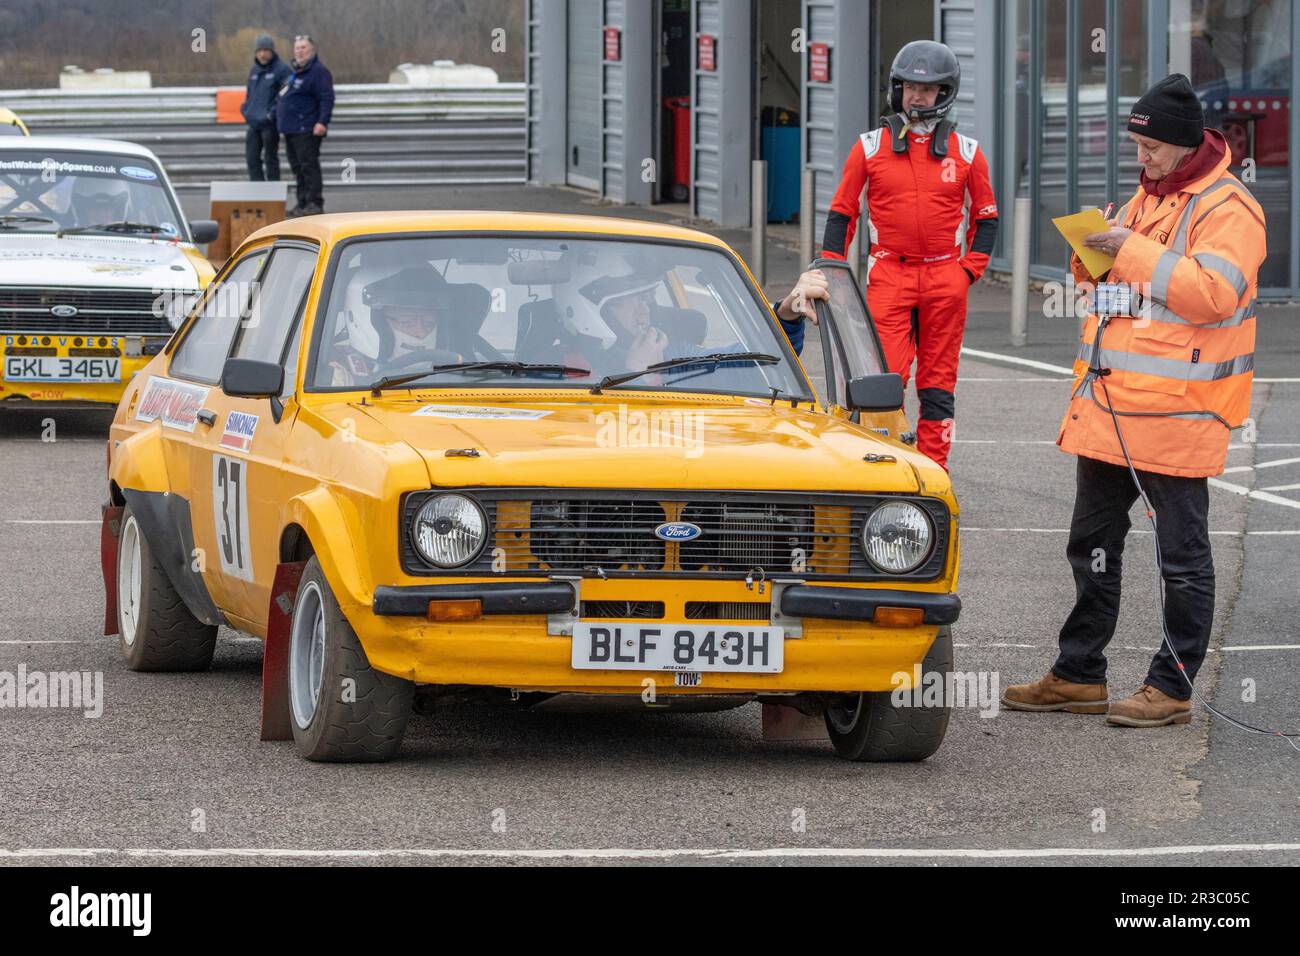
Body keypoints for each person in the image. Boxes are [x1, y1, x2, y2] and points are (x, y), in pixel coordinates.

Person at [1003, 74, 1266, 727]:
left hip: (1177, 412)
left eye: (1150, 148)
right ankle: (1078, 672)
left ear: (1183, 144)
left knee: (1182, 556)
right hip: (1113, 408)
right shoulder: (1150, 198)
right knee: (1090, 543)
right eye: (1137, 145)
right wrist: (1092, 253)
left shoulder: (1229, 208)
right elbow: (1113, 284)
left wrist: (1129, 249)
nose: (1140, 158)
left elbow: (1211, 294)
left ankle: (1171, 688)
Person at [816, 40, 999, 471]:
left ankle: (934, 470)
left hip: (945, 280)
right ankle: (883, 465)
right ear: (897, 90)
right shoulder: (869, 146)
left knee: (938, 385)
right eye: (911, 87)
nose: (918, 96)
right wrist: (830, 273)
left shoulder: (968, 152)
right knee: (884, 380)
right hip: (889, 276)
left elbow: (987, 218)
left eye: (929, 88)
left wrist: (967, 272)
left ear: (944, 93)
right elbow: (843, 212)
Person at [277, 34, 334, 217]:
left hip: (307, 129)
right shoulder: (295, 73)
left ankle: (314, 202)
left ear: (312, 50)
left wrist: (322, 122)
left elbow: (326, 98)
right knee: (297, 168)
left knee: (308, 166)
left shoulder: (318, 72)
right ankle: (302, 202)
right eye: (297, 48)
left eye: (303, 48)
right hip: (291, 130)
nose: (299, 52)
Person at [241, 34, 291, 182]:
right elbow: (250, 94)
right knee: (252, 158)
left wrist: (272, 114)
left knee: (270, 159)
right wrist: (246, 110)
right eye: (259, 50)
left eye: (266, 50)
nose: (262, 54)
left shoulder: (282, 69)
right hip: (254, 123)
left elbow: (286, 94)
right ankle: (258, 192)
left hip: (270, 124)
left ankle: (273, 194)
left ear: (272, 51)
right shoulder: (254, 71)